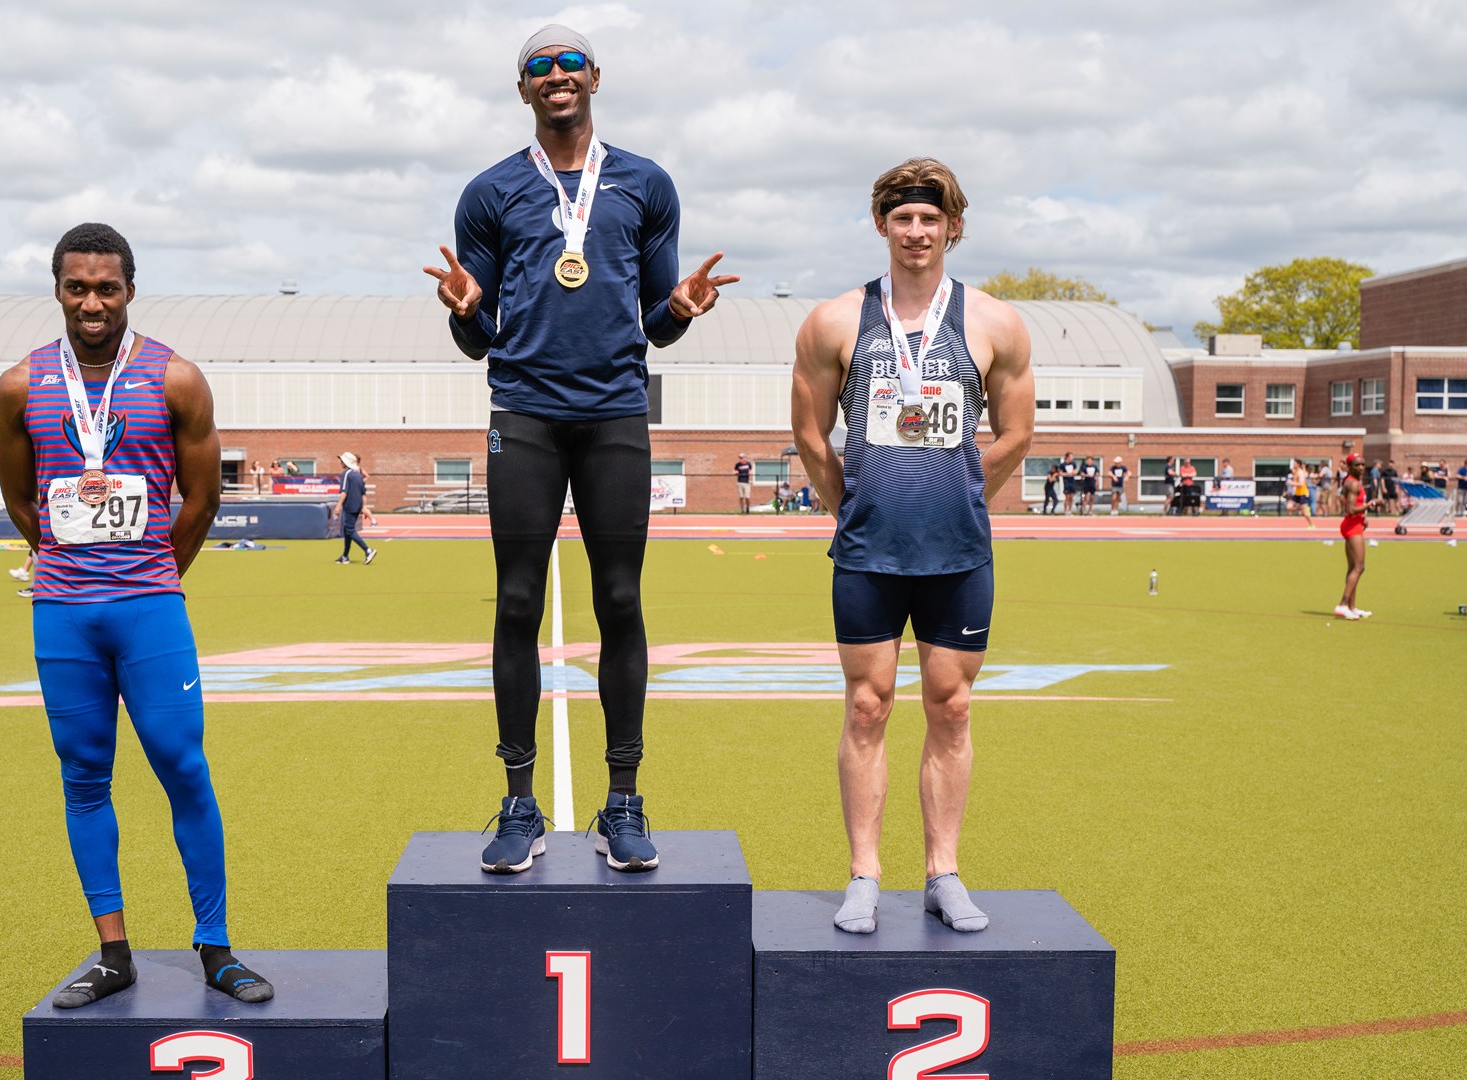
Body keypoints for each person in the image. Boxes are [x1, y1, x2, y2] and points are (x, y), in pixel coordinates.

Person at [423, 23, 738, 874]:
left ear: (594, 76)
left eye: (569, 63)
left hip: (611, 415)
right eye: (539, 67)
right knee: (517, 604)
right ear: (521, 88)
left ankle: (623, 801)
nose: (556, 76)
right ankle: (519, 803)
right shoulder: (490, 192)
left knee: (621, 603)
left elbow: (655, 327)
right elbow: (481, 341)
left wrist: (683, 307)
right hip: (523, 410)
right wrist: (462, 310)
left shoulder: (644, 184)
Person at [0, 222, 271, 1009]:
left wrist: (149, 572)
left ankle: (215, 948)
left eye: (106, 288)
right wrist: (73, 563)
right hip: (63, 614)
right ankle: (114, 951)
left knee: (184, 771)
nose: (91, 301)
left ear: (129, 291)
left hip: (150, 608)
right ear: (56, 290)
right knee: (84, 779)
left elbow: (203, 498)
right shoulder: (20, 384)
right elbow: (24, 502)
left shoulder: (177, 378)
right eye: (76, 287)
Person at [790, 156, 1034, 934]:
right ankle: (863, 875)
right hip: (867, 552)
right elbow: (807, 431)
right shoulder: (833, 320)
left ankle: (943, 873)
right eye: (902, 218)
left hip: (958, 554)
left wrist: (959, 494)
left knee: (951, 709)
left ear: (953, 227)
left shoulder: (996, 321)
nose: (916, 231)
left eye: (930, 218)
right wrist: (849, 504)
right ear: (881, 226)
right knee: (866, 708)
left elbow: (1017, 432)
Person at [1335, 454, 1373, 620]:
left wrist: (1362, 516)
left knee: (1353, 568)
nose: (1361, 468)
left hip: (1354, 523)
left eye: (1363, 464)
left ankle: (1351, 607)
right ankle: (1342, 604)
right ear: (1350, 467)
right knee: (1359, 567)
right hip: (1352, 526)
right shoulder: (1353, 483)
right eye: (1357, 465)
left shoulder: (1352, 482)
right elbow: (1351, 509)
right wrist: (1369, 505)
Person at [335, 451, 375, 565]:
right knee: (348, 530)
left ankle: (368, 550)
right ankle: (345, 556)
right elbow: (363, 493)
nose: (340, 462)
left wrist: (338, 507)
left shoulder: (346, 473)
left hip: (349, 505)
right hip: (357, 505)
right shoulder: (358, 474)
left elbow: (344, 492)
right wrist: (363, 508)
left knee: (349, 530)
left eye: (342, 460)